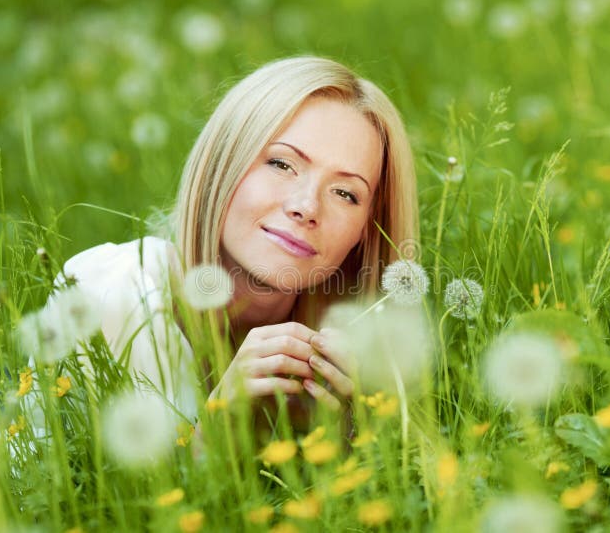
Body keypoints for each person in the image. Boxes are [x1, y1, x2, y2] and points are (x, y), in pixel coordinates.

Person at [60, 56, 419, 432]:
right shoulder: (108, 297)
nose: (306, 206)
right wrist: (215, 434)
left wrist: (362, 433)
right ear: (224, 161)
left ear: (366, 229)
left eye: (345, 193)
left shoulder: (355, 363)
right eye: (282, 164)